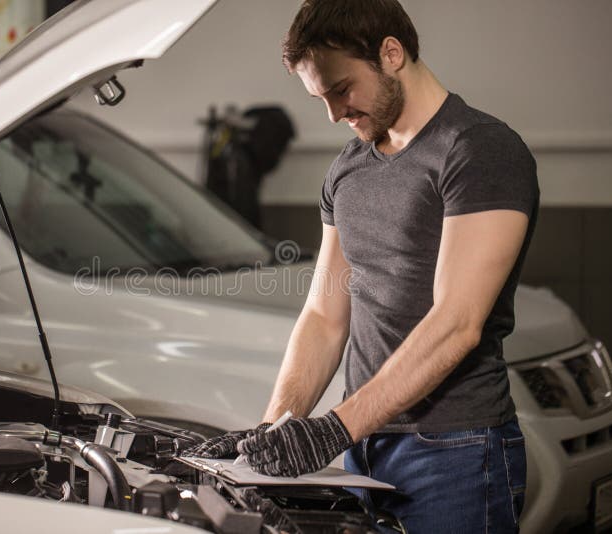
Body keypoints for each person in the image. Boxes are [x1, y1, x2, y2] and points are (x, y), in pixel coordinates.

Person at [185, 1, 539, 532]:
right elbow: (325, 316)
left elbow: (457, 323)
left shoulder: (480, 150)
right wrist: (274, 430)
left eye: (341, 89)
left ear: (391, 53)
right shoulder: (347, 168)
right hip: (365, 450)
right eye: (320, 97)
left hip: (455, 451)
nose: (333, 114)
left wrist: (333, 430)